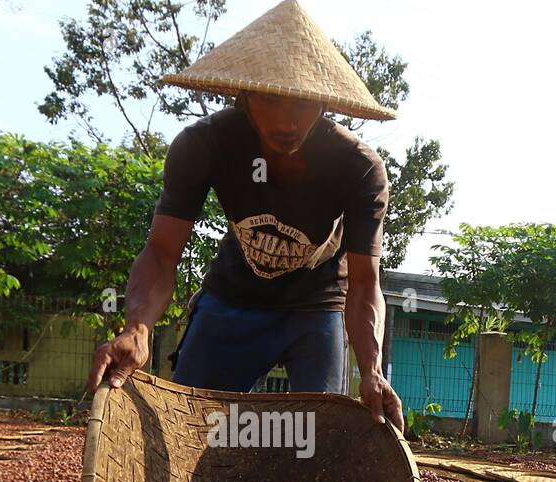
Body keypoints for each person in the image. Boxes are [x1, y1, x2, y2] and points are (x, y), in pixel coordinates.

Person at [85, 0, 405, 431]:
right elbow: (161, 253)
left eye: (304, 103)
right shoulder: (205, 145)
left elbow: (365, 282)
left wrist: (371, 369)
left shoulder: (357, 166)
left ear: (323, 103)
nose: (289, 121)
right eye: (272, 99)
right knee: (191, 428)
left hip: (317, 305)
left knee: (317, 438)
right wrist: (138, 327)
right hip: (231, 297)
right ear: (246, 95)